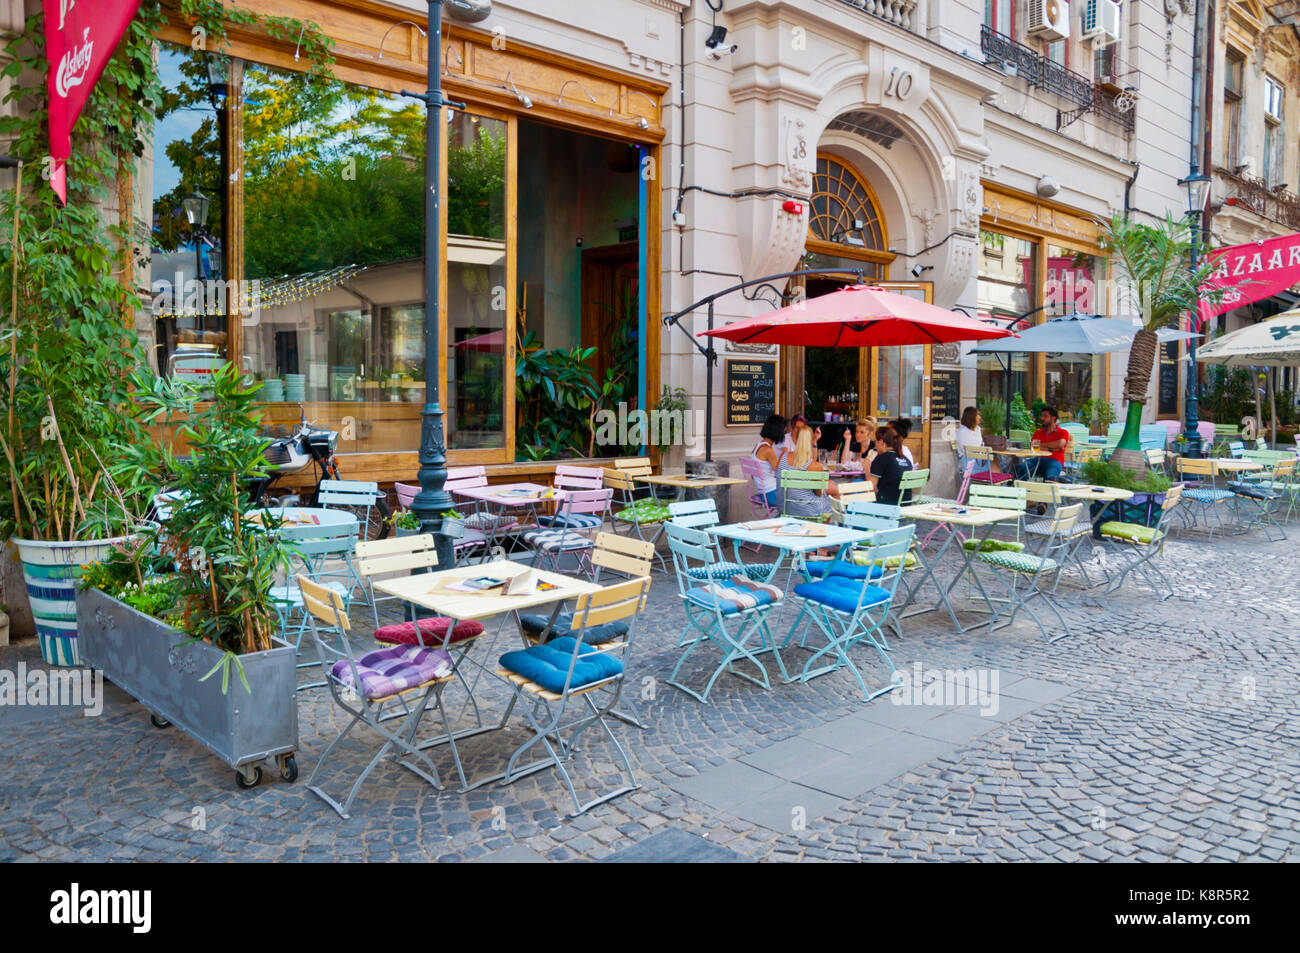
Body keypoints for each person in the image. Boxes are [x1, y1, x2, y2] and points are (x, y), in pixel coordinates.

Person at [777, 428, 839, 517]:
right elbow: (818, 492)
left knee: (832, 486)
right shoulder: (816, 466)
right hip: (807, 510)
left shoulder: (783, 456)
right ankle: (831, 525)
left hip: (784, 508)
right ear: (811, 440)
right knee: (836, 492)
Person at [1016, 405, 1070, 482]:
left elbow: (1060, 445)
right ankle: (1021, 491)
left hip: (1055, 461)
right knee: (1021, 467)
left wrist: (1041, 445)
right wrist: (1051, 449)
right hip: (1037, 459)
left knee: (1050, 478)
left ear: (1053, 418)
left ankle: (1046, 493)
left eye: (1045, 416)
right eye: (1042, 416)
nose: (1042, 418)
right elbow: (1033, 447)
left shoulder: (1063, 432)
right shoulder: (1038, 433)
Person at [868, 424, 914, 505]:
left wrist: (866, 467)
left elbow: (869, 486)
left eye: (876, 441)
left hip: (887, 505)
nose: (875, 444)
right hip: (905, 505)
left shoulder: (881, 458)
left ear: (881, 442)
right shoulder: (906, 460)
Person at [749, 413, 787, 510]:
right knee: (801, 498)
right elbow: (781, 473)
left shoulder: (758, 446)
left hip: (764, 492)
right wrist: (784, 453)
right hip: (772, 494)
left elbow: (753, 476)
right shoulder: (768, 450)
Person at [956, 405, 1001, 474]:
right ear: (971, 417)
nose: (980, 417)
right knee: (993, 460)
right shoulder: (962, 431)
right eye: (978, 415)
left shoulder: (977, 429)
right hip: (969, 462)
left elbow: (980, 445)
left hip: (980, 458)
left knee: (994, 460)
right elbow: (967, 450)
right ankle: (996, 482)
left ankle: (997, 482)